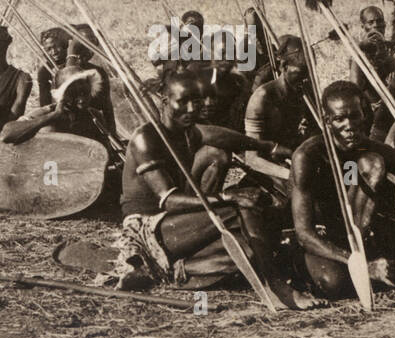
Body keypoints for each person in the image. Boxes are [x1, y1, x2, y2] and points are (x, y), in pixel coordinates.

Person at [115, 72, 314, 307]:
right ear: (165, 101)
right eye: (182, 102)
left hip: (181, 224)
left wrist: (270, 147)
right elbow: (168, 200)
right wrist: (225, 197)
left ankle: (177, 269)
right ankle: (276, 285)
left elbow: (226, 138)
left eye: (197, 103)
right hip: (149, 227)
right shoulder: (146, 138)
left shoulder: (190, 131)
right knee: (242, 208)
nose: (191, 109)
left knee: (250, 248)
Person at [290, 81, 395, 293]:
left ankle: (375, 262)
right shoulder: (308, 157)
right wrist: (361, 266)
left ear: (364, 115)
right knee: (334, 284)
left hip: (366, 235)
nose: (349, 125)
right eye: (339, 119)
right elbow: (303, 232)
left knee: (372, 162)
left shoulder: (382, 152)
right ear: (327, 121)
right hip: (325, 236)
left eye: (354, 116)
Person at [244, 35, 314, 152]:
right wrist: (289, 171)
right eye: (300, 72)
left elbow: (316, 130)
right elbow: (252, 158)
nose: (306, 78)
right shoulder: (262, 98)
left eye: (309, 71)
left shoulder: (306, 91)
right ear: (283, 66)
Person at [36, 27, 70, 107]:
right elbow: (45, 104)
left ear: (63, 45)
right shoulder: (45, 71)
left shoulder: (74, 62)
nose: (54, 52)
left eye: (56, 46)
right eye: (49, 49)